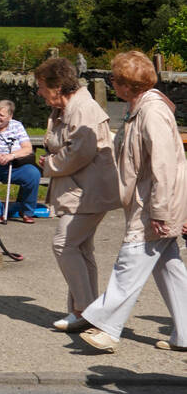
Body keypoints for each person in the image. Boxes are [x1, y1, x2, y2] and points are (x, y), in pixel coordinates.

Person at [77, 52, 187, 352]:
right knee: (169, 267)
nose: (112, 83)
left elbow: (165, 165)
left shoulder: (152, 112)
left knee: (130, 262)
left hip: (154, 204)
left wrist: (162, 211)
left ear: (128, 85)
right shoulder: (138, 109)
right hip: (149, 201)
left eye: (115, 79)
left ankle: (107, 328)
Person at [34, 56, 121, 333]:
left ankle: (84, 310)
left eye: (41, 86)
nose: (39, 92)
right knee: (81, 248)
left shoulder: (83, 109)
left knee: (64, 244)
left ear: (57, 86)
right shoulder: (67, 108)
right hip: (81, 190)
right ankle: (83, 310)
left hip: (88, 192)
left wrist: (49, 164)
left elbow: (80, 152)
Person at [0, 99, 41, 223]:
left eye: (1, 115)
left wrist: (11, 155)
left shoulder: (17, 126)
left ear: (10, 116)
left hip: (13, 164)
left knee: (33, 174)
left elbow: (28, 148)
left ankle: (26, 211)